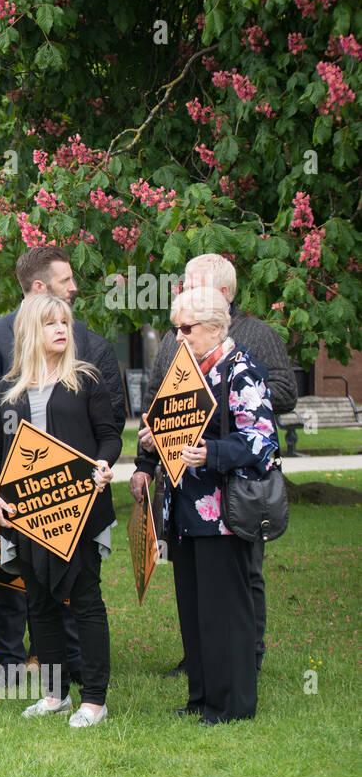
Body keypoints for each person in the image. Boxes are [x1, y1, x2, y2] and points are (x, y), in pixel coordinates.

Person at [134, 252, 296, 674]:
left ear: (221, 299)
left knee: (240, 581)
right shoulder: (180, 340)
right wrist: (151, 449)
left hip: (231, 494)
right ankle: (200, 668)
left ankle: (244, 662)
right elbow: (159, 402)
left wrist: (212, 417)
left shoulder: (250, 347)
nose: (179, 332)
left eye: (194, 288)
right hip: (185, 492)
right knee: (194, 589)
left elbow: (275, 407)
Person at [0, 246, 126, 676]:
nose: (61, 329)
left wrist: (103, 464)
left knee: (85, 598)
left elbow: (110, 435)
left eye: (64, 324)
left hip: (79, 505)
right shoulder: (9, 390)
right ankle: (53, 691)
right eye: (51, 323)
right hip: (25, 507)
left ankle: (93, 698)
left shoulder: (85, 378)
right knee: (36, 598)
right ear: (28, 331)